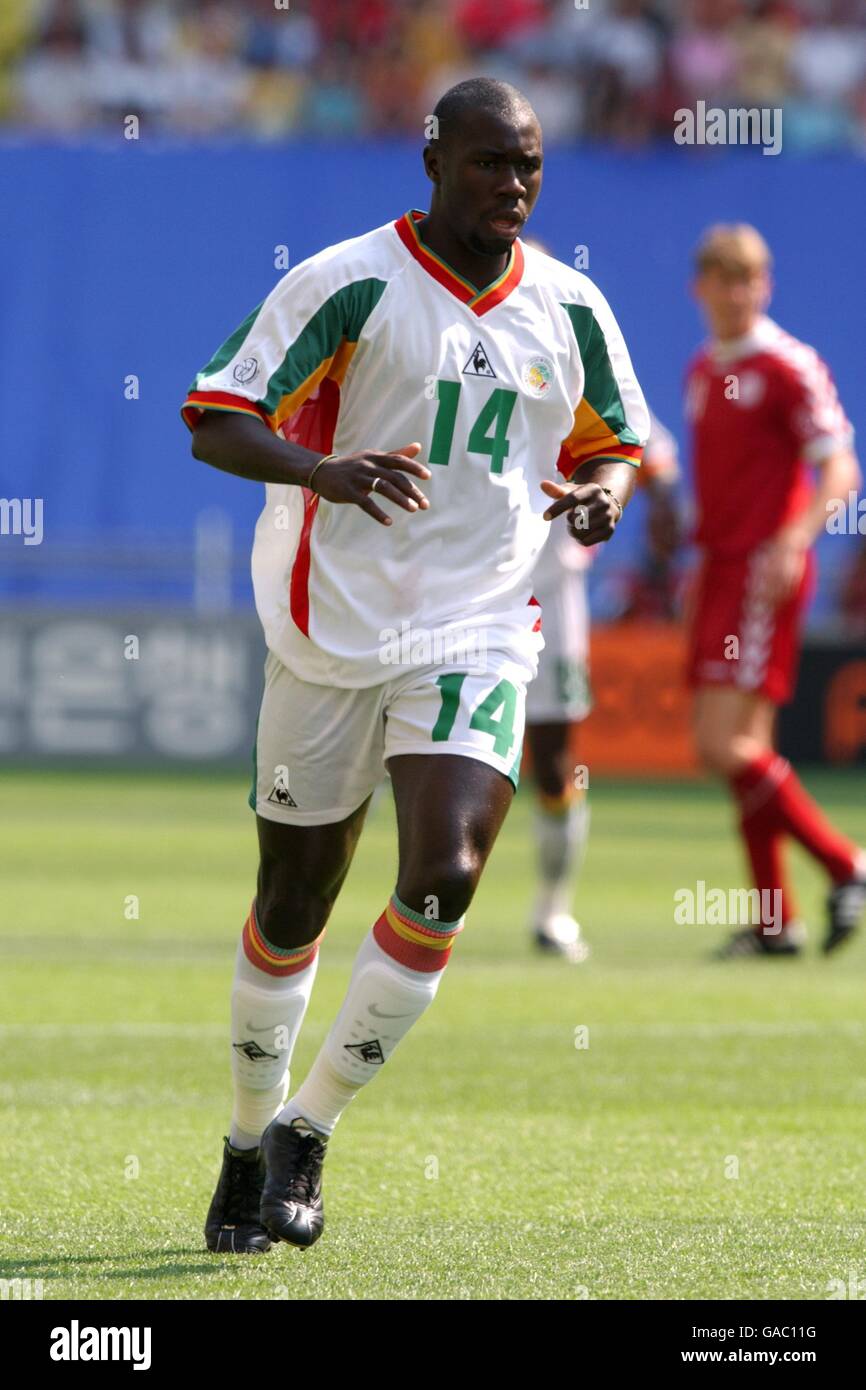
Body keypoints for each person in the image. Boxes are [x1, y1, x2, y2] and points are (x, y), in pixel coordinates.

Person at [181, 76, 648, 1254]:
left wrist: (597, 497)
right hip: (327, 630)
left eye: (531, 167)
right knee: (292, 904)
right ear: (434, 162)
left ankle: (310, 1126)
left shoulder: (569, 305)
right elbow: (213, 416)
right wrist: (318, 469)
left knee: (442, 869)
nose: (514, 187)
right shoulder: (345, 282)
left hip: (482, 623)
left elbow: (615, 446)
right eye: (492, 163)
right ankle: (245, 1140)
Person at [684, 223, 865, 958]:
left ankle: (845, 863)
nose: (737, 292)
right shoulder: (704, 369)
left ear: (767, 286)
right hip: (719, 569)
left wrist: (793, 541)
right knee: (741, 747)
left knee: (720, 743)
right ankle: (773, 922)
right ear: (701, 289)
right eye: (724, 279)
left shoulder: (789, 365)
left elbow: (840, 469)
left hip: (762, 571)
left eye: (749, 278)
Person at [526, 408, 680, 962]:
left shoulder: (584, 360)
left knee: (553, 760)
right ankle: (426, 899)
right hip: (457, 582)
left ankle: (553, 910)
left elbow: (651, 457)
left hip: (551, 588)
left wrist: (660, 506)